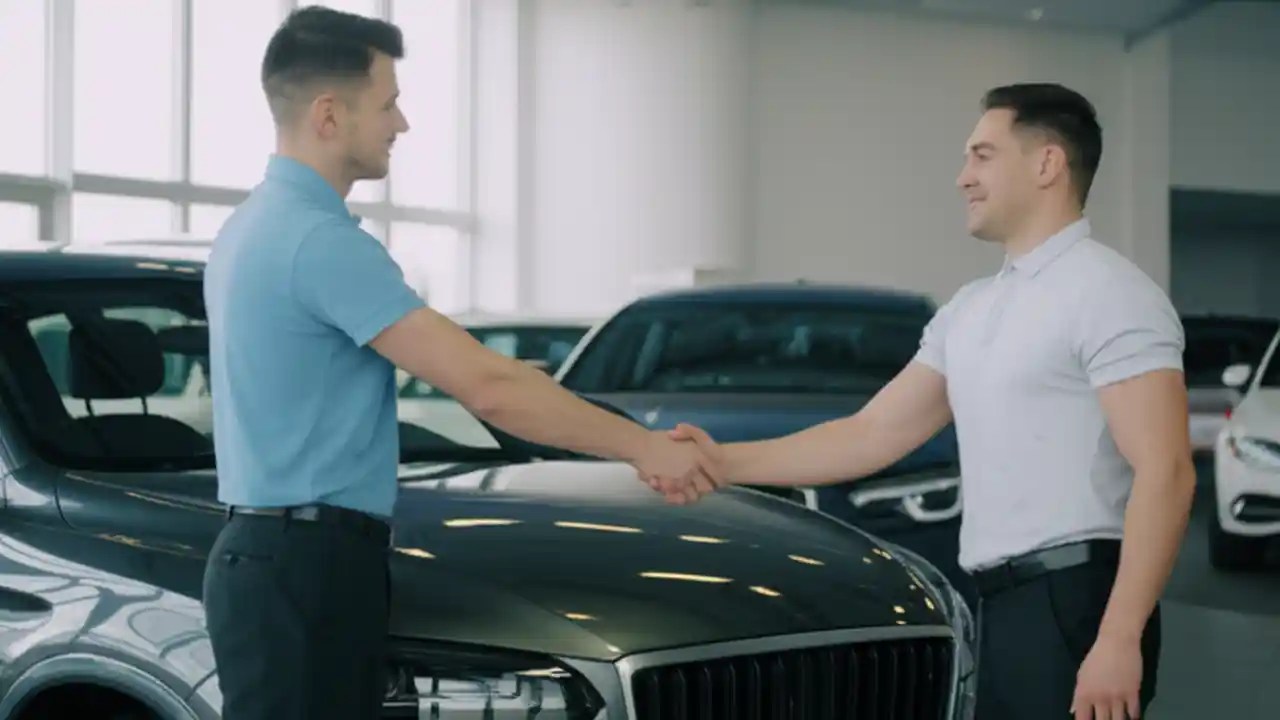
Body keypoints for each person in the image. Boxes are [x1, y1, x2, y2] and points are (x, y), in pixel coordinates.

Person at [201, 7, 716, 720]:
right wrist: (644, 447)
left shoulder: (253, 227)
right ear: (328, 114)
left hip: (285, 554)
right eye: (389, 103)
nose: (401, 125)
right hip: (305, 564)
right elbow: (491, 387)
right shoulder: (316, 243)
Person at [666, 83, 1195, 720]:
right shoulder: (972, 308)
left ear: (1047, 164)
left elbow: (1166, 471)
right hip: (998, 602)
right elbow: (871, 433)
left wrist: (1118, 638)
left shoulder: (1110, 293)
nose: (962, 177)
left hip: (1077, 600)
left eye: (982, 155)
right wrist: (723, 463)